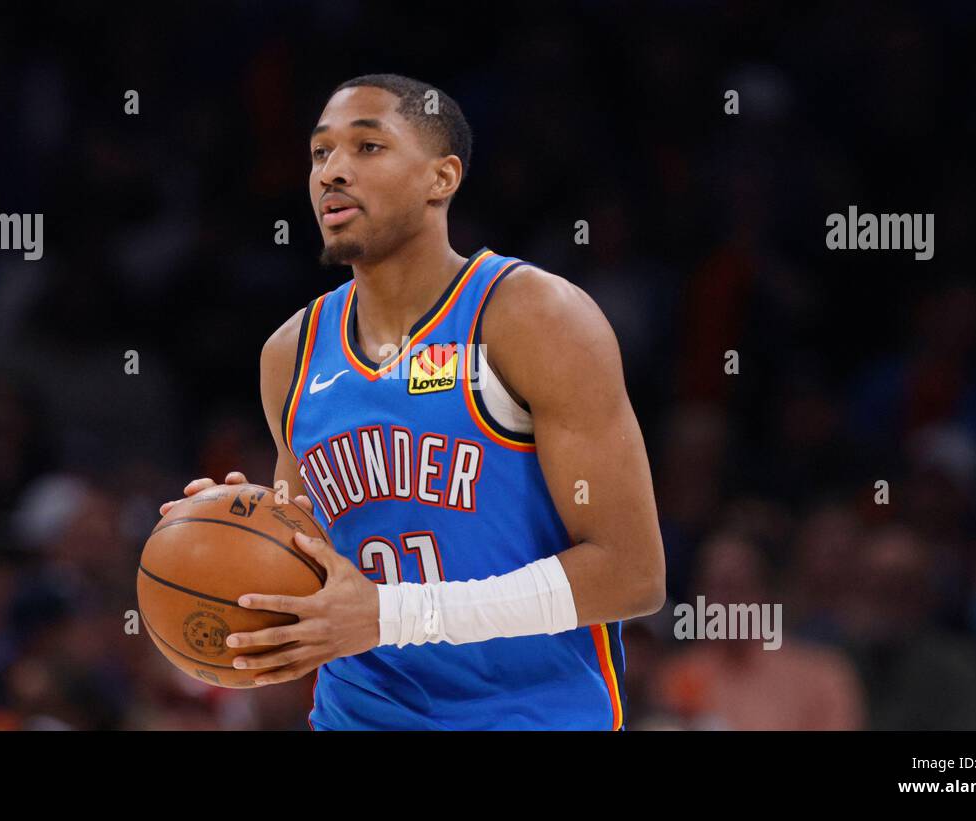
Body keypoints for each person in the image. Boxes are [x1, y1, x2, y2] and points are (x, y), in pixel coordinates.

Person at [160, 74, 665, 730]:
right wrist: (232, 534)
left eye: (367, 147)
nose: (333, 171)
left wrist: (392, 615)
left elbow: (631, 574)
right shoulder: (291, 353)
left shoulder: (529, 315)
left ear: (442, 178)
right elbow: (308, 590)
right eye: (320, 154)